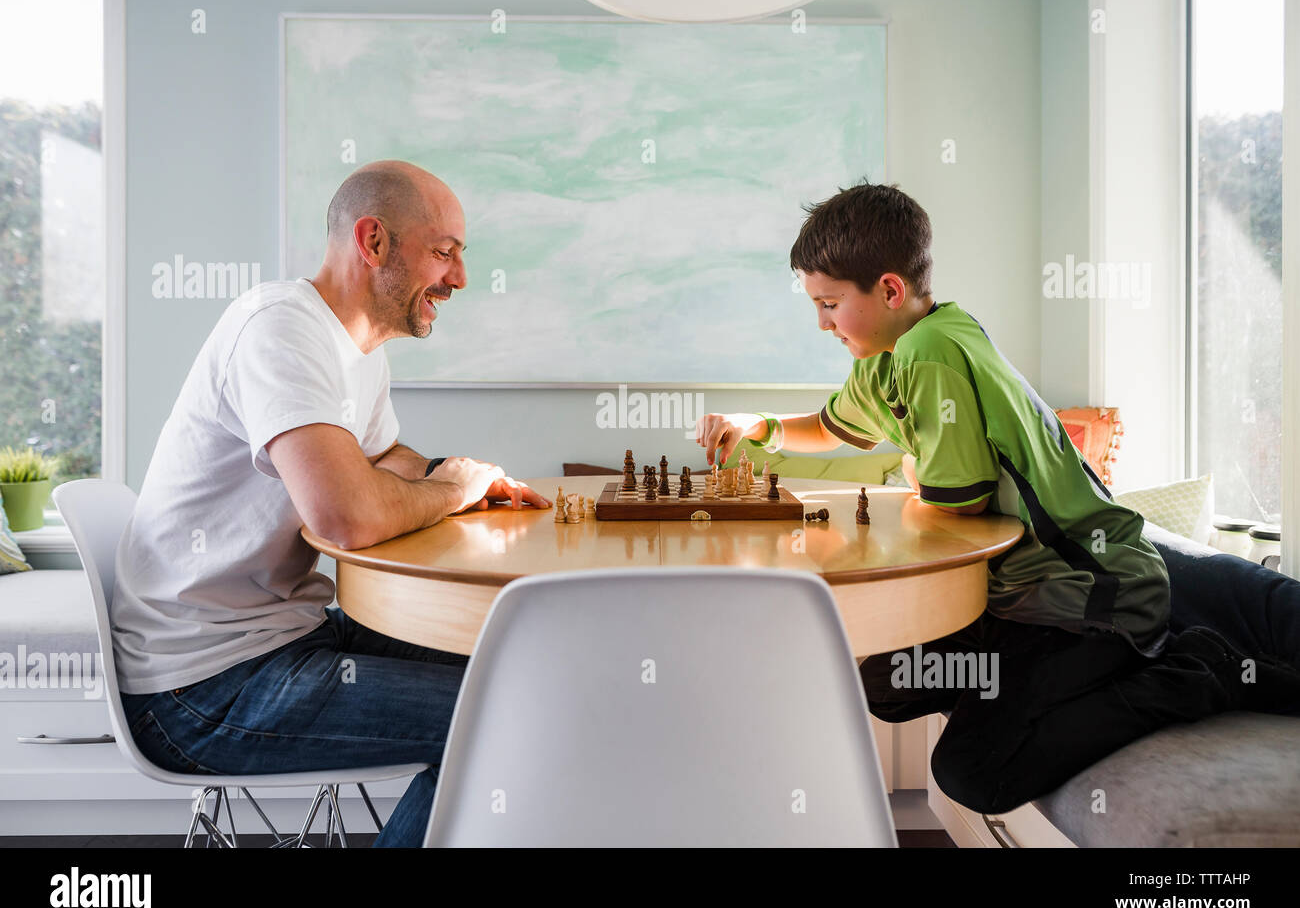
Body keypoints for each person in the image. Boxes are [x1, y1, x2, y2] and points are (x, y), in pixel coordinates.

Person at [694, 181, 1300, 816]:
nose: (821, 322)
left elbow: (955, 506)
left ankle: (1195, 670)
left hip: (1090, 598)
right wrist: (756, 425)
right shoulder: (888, 355)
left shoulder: (932, 351)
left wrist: (895, 493)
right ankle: (1032, 688)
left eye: (830, 303)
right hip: (1023, 598)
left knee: (971, 772)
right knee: (886, 686)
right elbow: (828, 426)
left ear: (891, 290)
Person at [112, 160, 548, 846]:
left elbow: (381, 461)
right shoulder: (279, 331)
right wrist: (452, 490)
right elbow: (345, 514)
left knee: (529, 665)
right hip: (202, 689)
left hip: (285, 636)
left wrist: (459, 474)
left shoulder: (357, 347)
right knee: (512, 715)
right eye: (445, 253)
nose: (460, 279)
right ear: (374, 243)